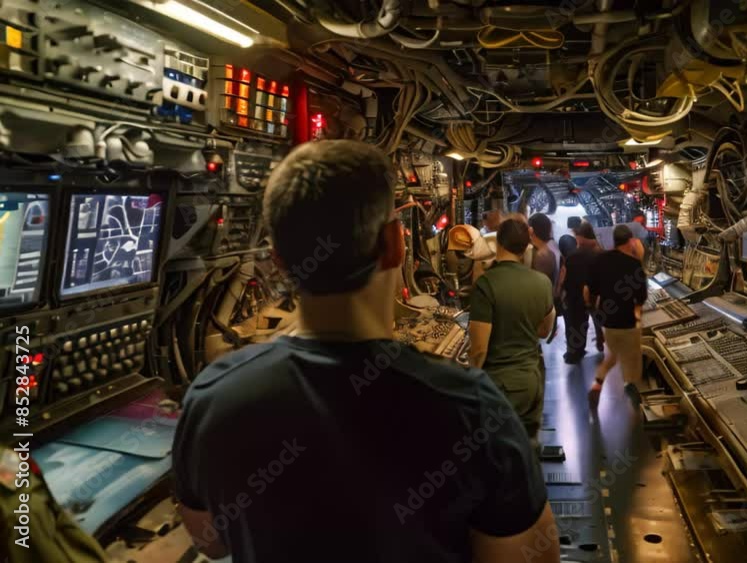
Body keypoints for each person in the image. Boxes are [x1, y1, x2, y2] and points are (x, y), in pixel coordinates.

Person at [172, 140, 559, 563]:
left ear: (280, 261)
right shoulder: (473, 408)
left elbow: (208, 540)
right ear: (395, 245)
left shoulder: (213, 397)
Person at [468, 218, 556, 441]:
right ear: (527, 246)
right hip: (533, 381)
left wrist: (469, 383)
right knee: (528, 447)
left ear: (497, 243)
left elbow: (479, 349)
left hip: (501, 385)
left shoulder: (486, 284)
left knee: (499, 449)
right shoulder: (542, 282)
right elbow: (544, 331)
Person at [586, 224, 648, 408]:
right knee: (632, 357)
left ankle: (597, 383)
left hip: (608, 320)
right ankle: (630, 386)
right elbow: (641, 297)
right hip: (627, 320)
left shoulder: (601, 259)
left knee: (612, 355)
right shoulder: (634, 264)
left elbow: (593, 289)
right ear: (630, 241)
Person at [558, 222, 604, 364]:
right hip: (596, 295)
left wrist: (563, 295)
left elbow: (567, 280)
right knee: (598, 319)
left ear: (579, 238)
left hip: (576, 297)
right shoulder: (600, 253)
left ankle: (575, 353)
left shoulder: (573, 256)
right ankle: (601, 342)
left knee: (576, 324)